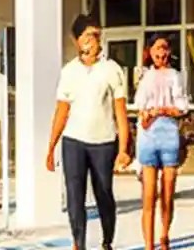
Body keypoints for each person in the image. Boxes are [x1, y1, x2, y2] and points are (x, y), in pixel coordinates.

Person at [46, 14, 132, 250]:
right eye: (87, 35)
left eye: (96, 35)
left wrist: (123, 149)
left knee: (103, 193)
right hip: (74, 142)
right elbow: (61, 112)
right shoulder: (69, 71)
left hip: (103, 142)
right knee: (75, 196)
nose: (92, 40)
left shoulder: (111, 69)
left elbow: (120, 113)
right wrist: (51, 147)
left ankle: (107, 241)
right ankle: (78, 243)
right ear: (76, 39)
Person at [132, 33, 190, 250]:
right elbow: (139, 105)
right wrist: (148, 114)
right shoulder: (145, 76)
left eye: (165, 48)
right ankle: (149, 244)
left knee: (168, 191)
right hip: (148, 135)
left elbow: (182, 106)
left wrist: (163, 109)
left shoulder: (175, 75)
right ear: (150, 52)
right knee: (148, 194)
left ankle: (164, 236)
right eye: (157, 48)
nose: (161, 53)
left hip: (169, 133)